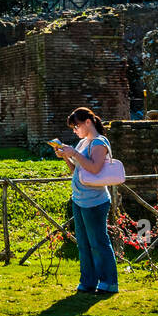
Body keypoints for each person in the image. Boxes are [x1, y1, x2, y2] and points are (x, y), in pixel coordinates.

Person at [54, 106, 118, 295]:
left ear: (88, 122)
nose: (75, 130)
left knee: (98, 242)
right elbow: (77, 171)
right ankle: (88, 282)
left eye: (76, 126)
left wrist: (73, 153)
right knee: (83, 243)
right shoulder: (82, 144)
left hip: (95, 201)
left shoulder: (99, 142)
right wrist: (66, 157)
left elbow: (95, 168)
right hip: (79, 199)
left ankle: (109, 282)